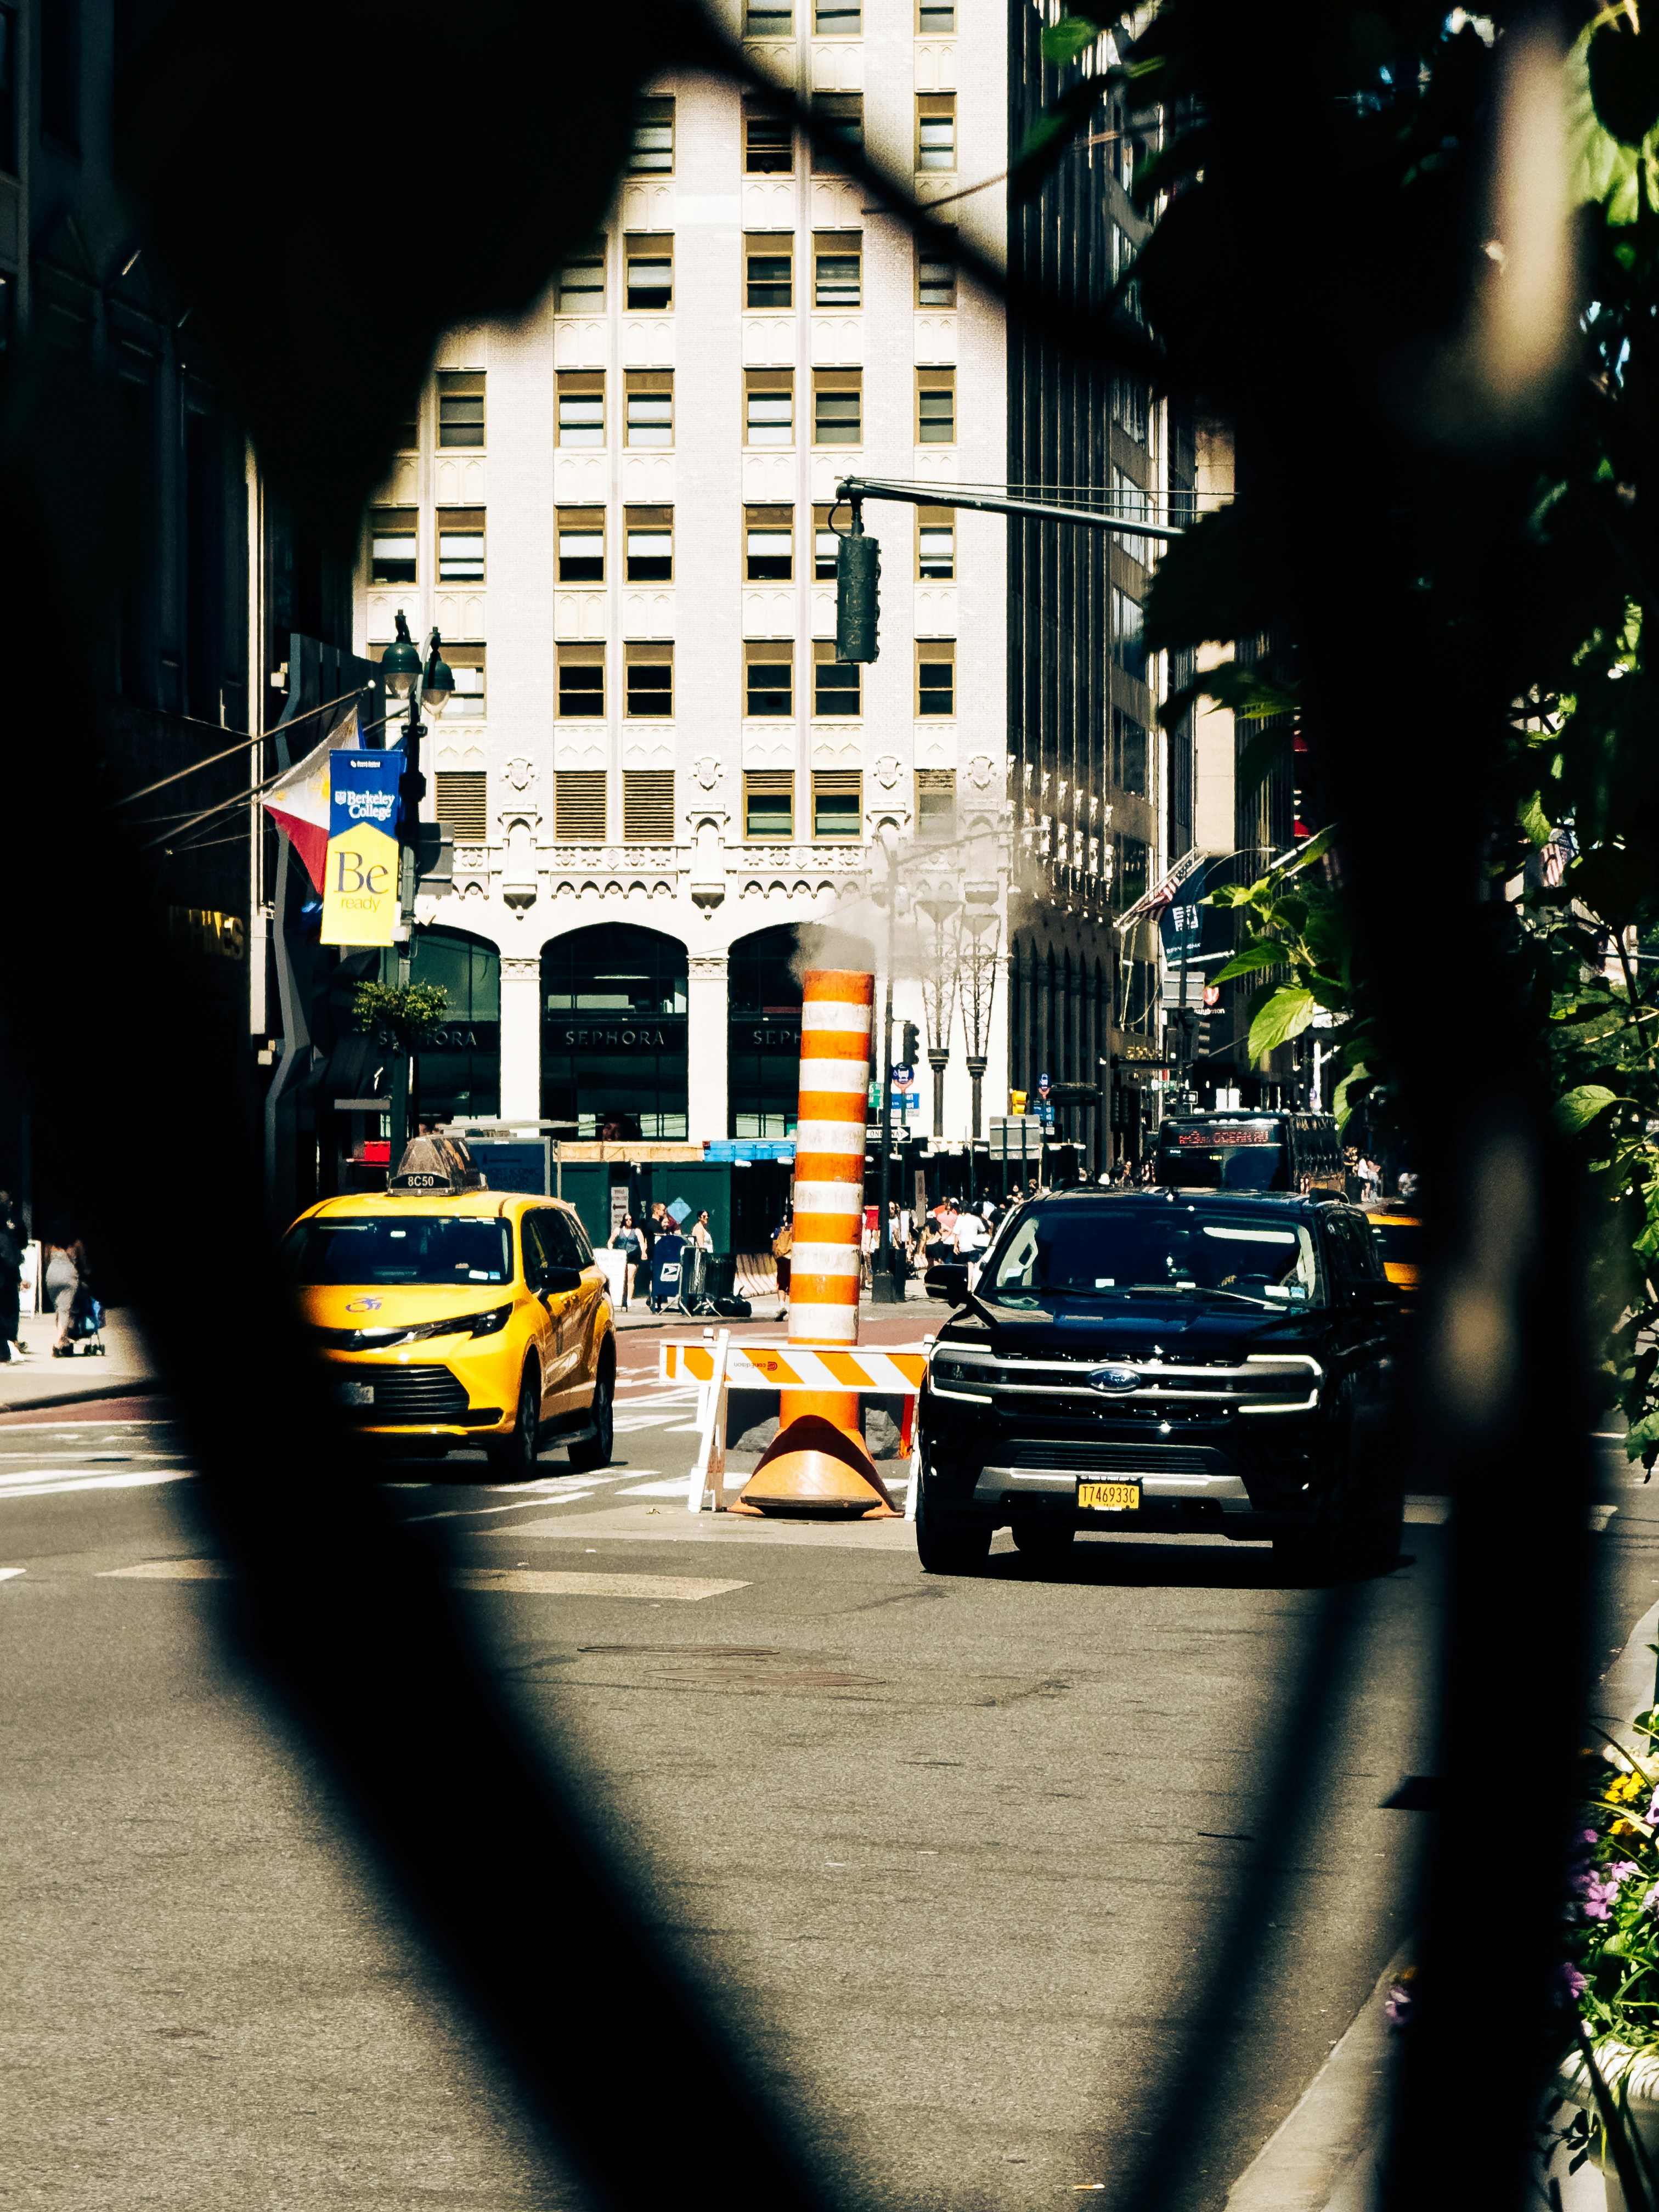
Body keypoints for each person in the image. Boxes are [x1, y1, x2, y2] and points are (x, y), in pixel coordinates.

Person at [43, 1226, 88, 1357]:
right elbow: (85, 1267)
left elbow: (47, 1261)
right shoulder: (76, 1244)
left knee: (60, 1308)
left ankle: (64, 1341)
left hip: (52, 1277)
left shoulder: (50, 1245)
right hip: (68, 1276)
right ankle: (58, 1342)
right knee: (65, 1309)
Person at [0, 1194, 22, 1362]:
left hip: (8, 1275)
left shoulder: (10, 1226)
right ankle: (8, 1346)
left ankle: (8, 1346)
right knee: (9, 1311)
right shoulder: (7, 1228)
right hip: (6, 1276)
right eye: (8, 1202)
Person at [610, 1212, 645, 1309]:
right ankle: (619, 1298)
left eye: (630, 1219)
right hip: (621, 1257)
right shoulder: (618, 1230)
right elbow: (610, 1242)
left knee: (630, 1278)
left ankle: (629, 1299)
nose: (628, 1221)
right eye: (626, 1219)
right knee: (621, 1278)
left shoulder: (637, 1231)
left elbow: (642, 1243)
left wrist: (643, 1253)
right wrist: (611, 1251)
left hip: (633, 1257)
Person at [772, 1212, 792, 1311]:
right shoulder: (797, 1230)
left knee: (782, 1286)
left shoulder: (778, 1230)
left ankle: (782, 1306)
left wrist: (777, 1258)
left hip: (782, 1259)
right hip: (794, 1259)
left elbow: (774, 1246)